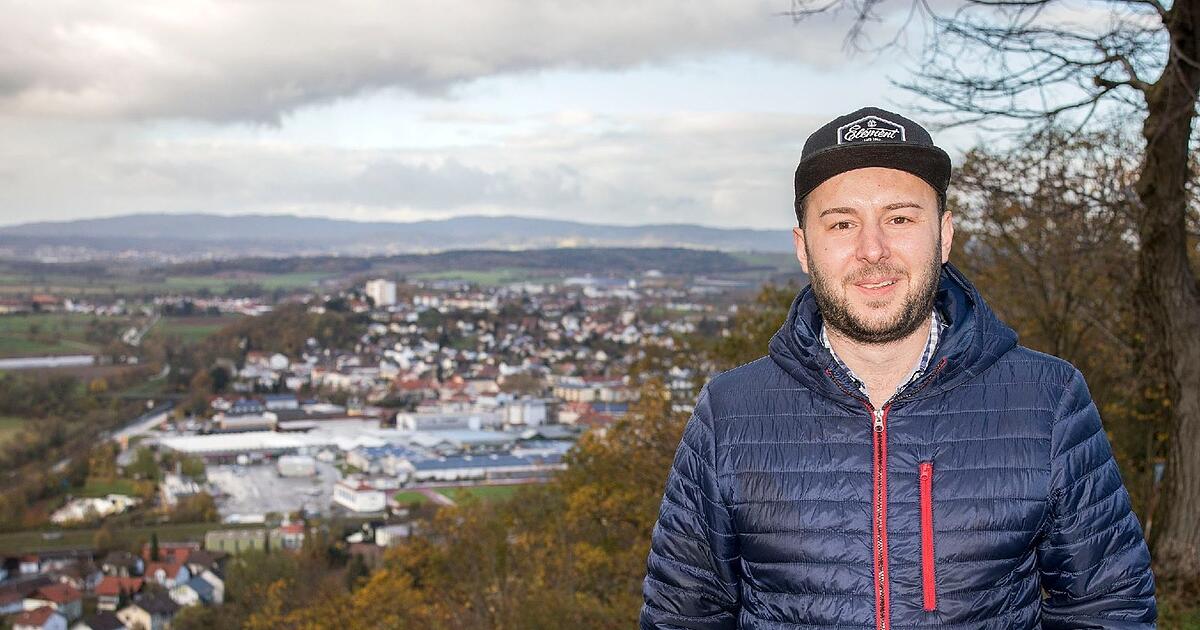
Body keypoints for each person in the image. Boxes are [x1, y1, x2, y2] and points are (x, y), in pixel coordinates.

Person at [639, 107, 1156, 629]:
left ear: (944, 235)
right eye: (842, 223)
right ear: (803, 248)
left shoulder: (1047, 398)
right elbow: (681, 617)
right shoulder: (730, 413)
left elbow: (1108, 607)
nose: (873, 250)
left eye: (900, 218)